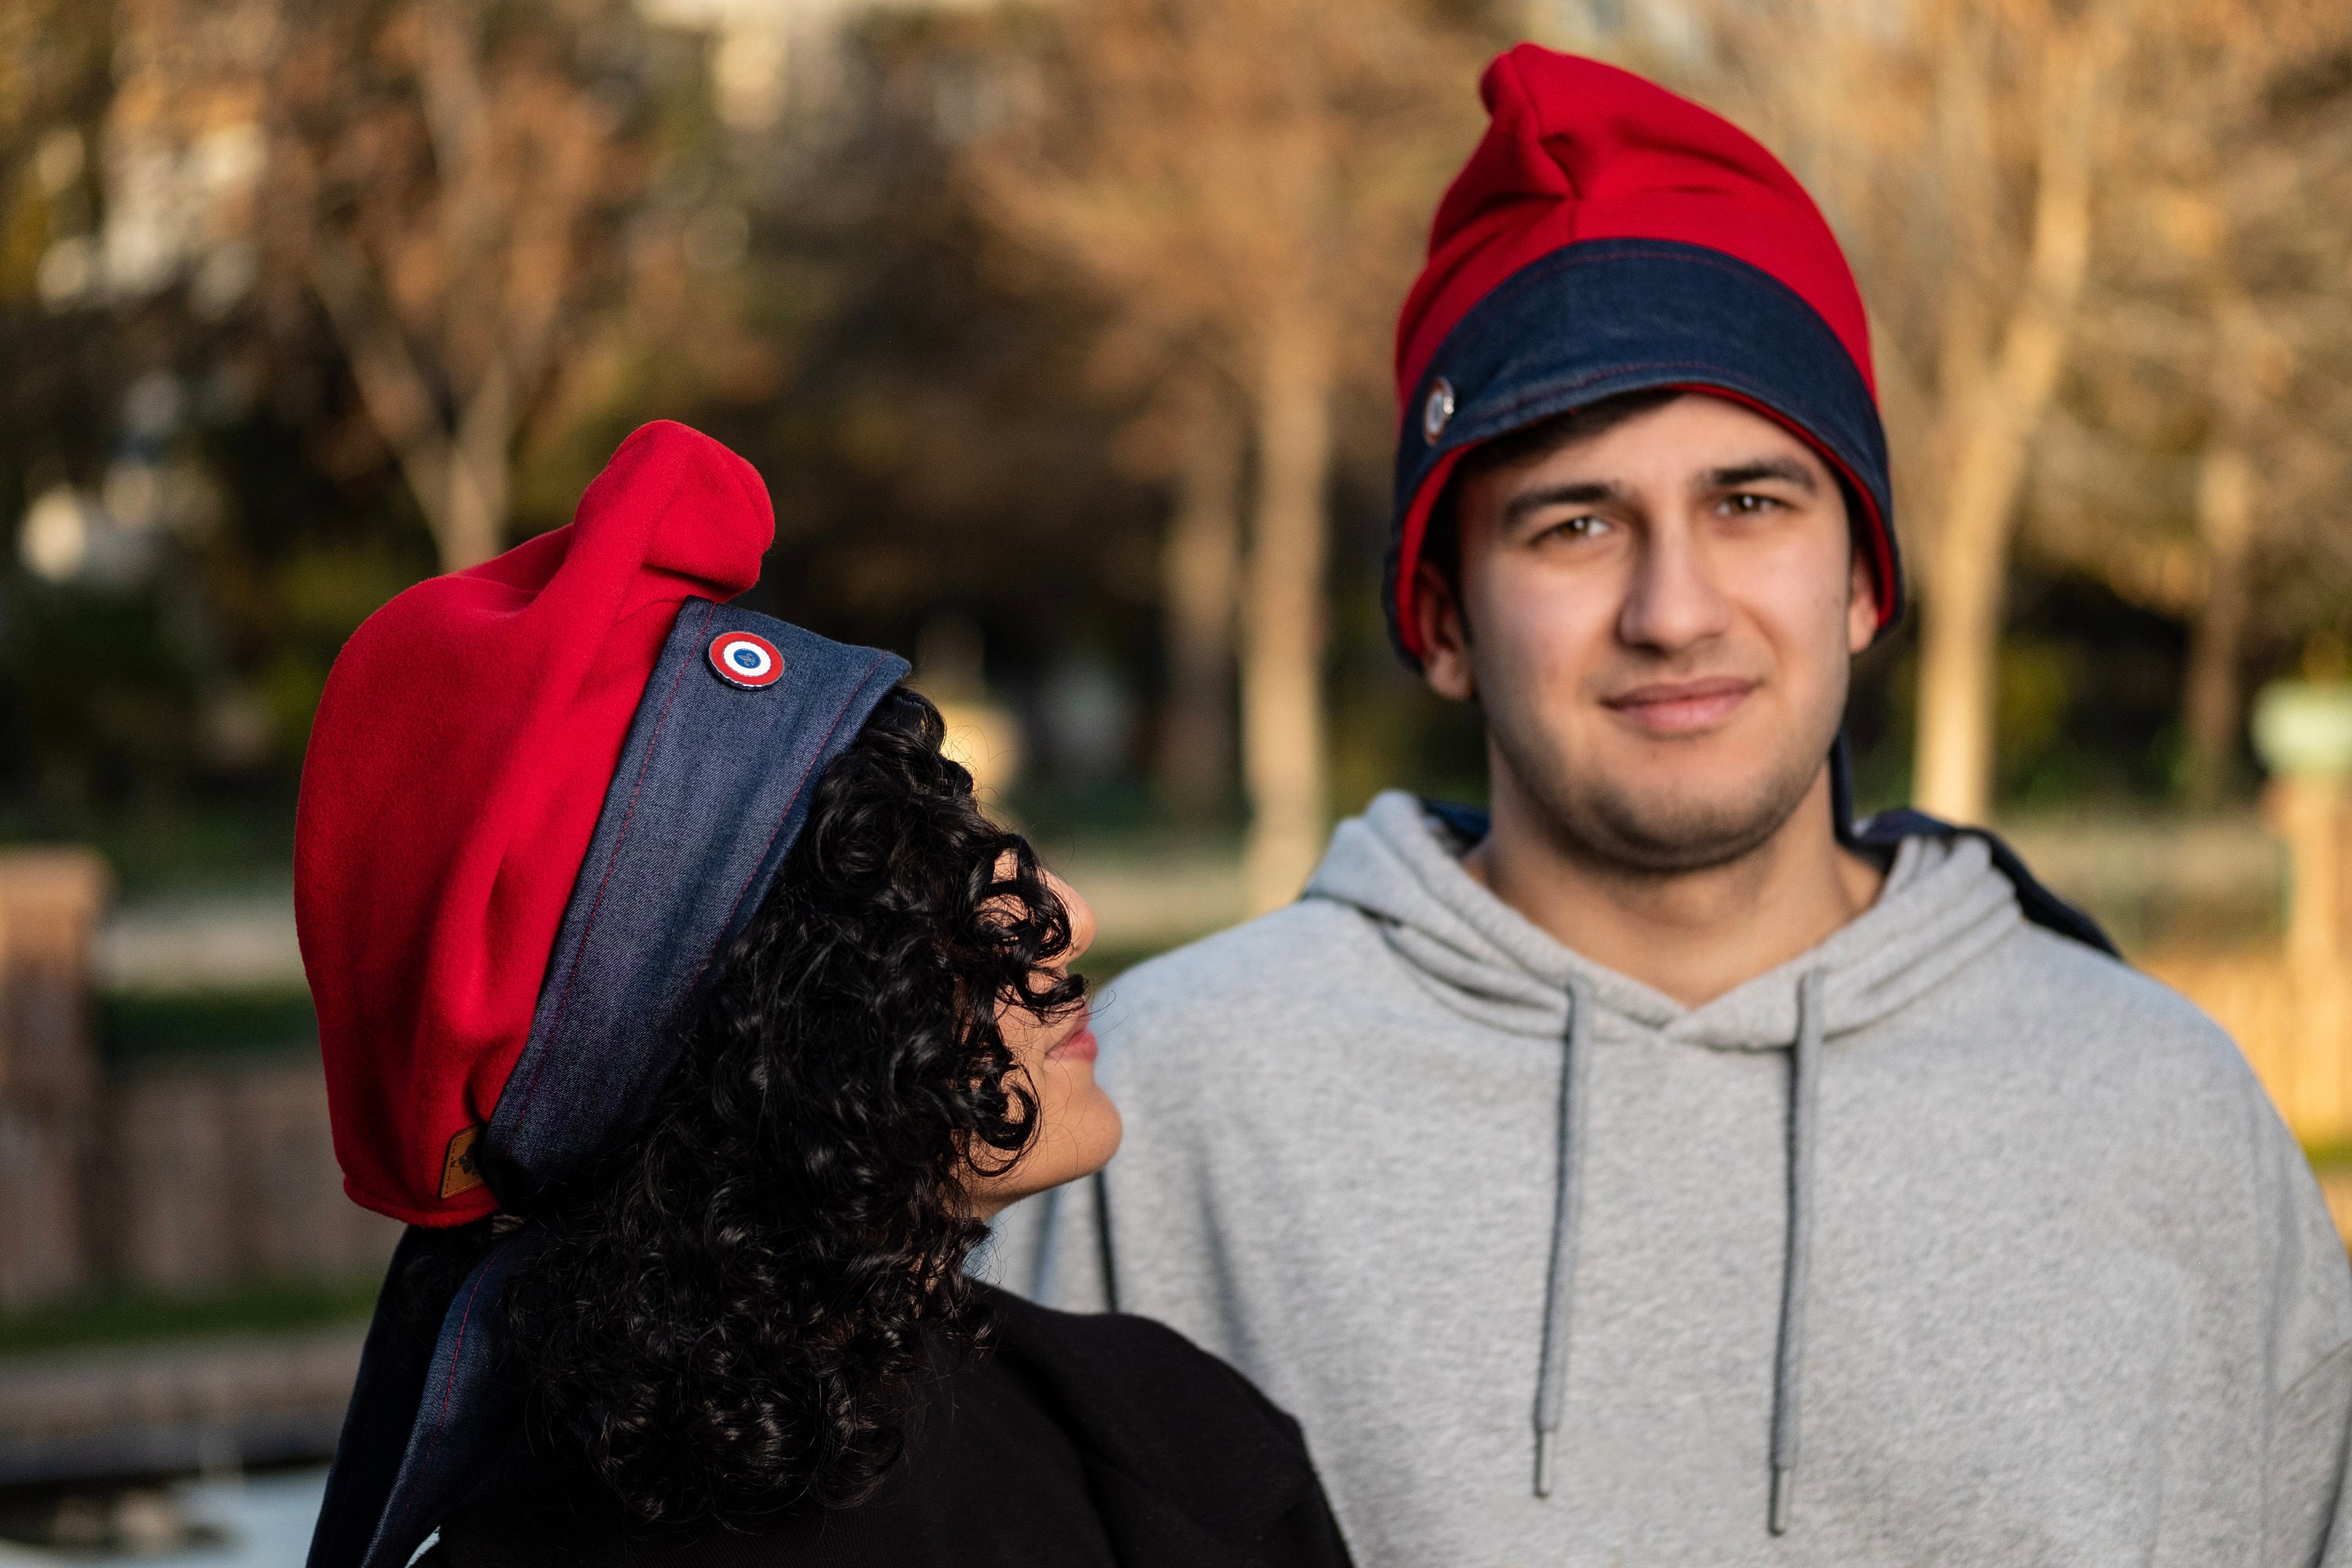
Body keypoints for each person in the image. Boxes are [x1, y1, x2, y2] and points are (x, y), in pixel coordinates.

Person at [996, 46, 2352, 1567]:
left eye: (1750, 502)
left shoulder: (2164, 1114)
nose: (1674, 607)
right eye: (1576, 523)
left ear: (1863, 577)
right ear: (1440, 617)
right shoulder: (1168, 1120)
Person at [294, 421, 1352, 1568]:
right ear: (757, 1053)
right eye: (914, 904)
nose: (1069, 918)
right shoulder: (1170, 1463)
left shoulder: (1177, 1442)